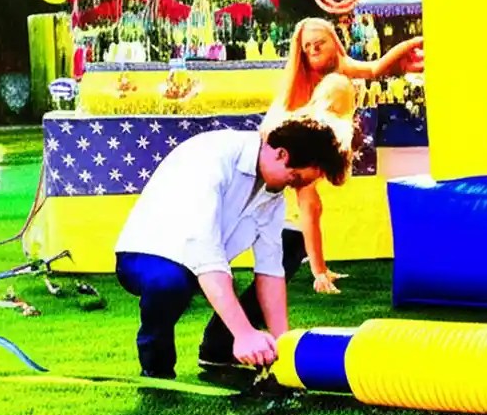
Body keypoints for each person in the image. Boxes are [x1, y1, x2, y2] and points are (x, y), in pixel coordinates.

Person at [113, 114, 351, 379]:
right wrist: (245, 333)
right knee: (168, 283)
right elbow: (205, 254)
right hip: (149, 255)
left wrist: (283, 344)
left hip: (205, 264)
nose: (295, 187)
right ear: (281, 154)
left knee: (292, 242)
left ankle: (219, 348)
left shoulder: (272, 191)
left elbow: (270, 270)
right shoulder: (211, 159)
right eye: (295, 177)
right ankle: (156, 369)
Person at [269, 17, 424, 294]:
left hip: (317, 138)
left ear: (334, 43)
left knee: (312, 206)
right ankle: (318, 273)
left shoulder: (339, 69)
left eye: (320, 44)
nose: (314, 50)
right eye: (308, 47)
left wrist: (410, 45)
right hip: (296, 143)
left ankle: (320, 269)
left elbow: (375, 68)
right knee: (309, 204)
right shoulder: (304, 79)